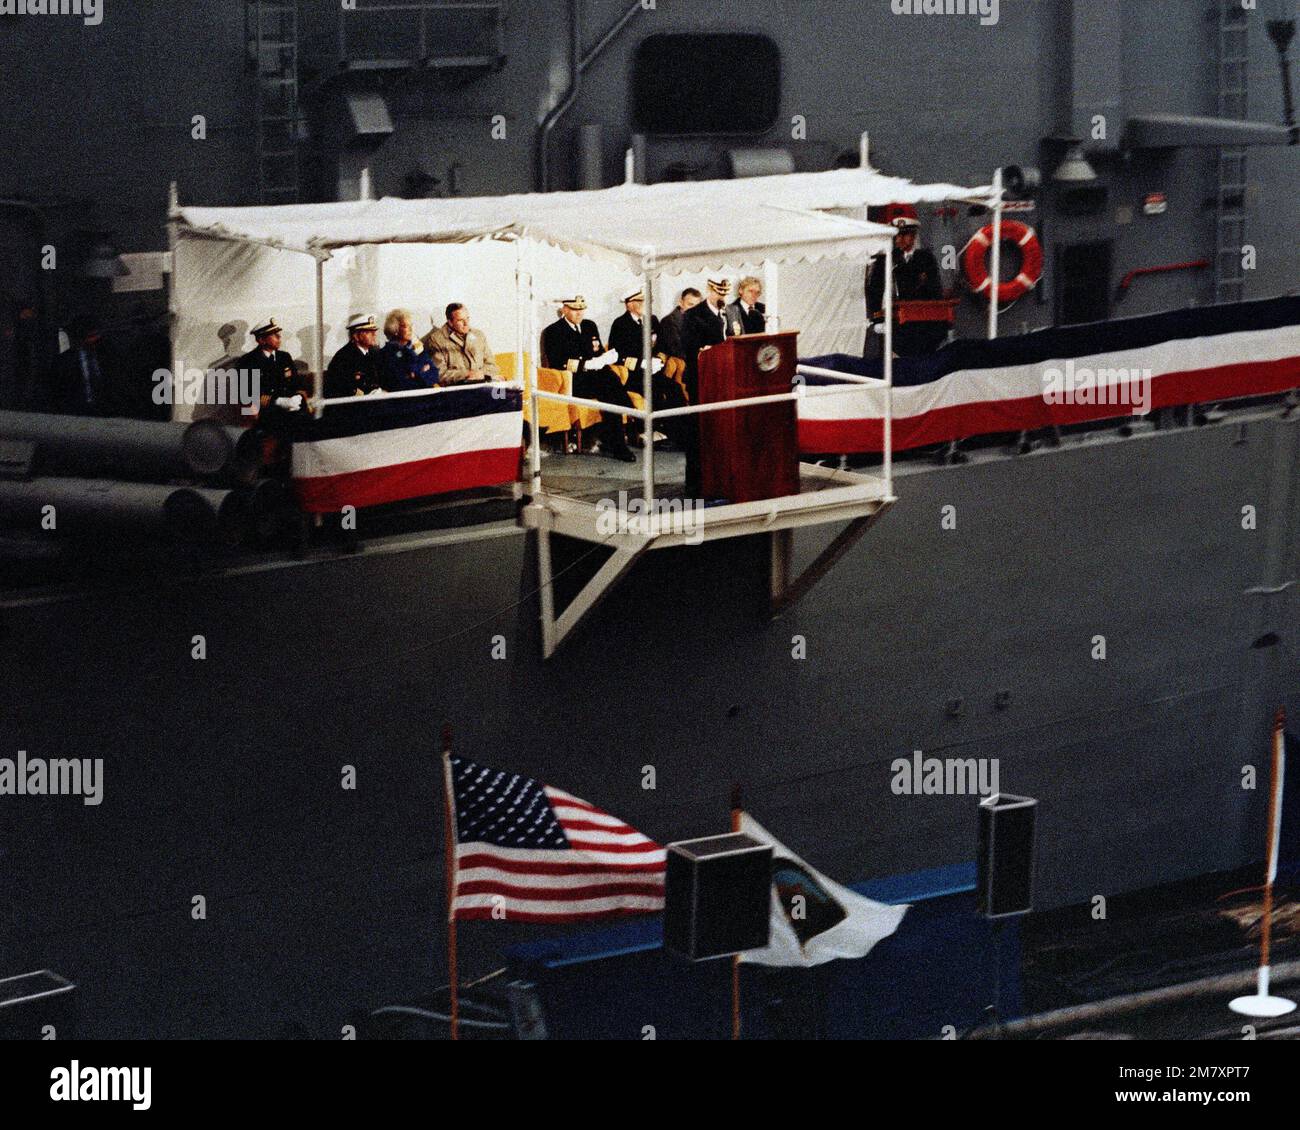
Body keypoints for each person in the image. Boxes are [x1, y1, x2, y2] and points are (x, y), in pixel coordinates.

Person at [540, 296, 636, 462]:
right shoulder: (554, 331)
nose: (579, 313)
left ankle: (616, 438)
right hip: (575, 379)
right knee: (611, 392)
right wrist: (586, 364)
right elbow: (557, 363)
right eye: (574, 310)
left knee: (611, 381)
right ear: (564, 310)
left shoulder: (589, 326)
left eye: (581, 309)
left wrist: (605, 358)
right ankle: (626, 430)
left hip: (597, 374)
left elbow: (596, 352)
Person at [607, 290, 687, 447]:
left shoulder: (652, 320)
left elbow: (661, 345)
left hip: (653, 371)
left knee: (675, 388)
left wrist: (658, 359)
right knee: (654, 391)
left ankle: (677, 433)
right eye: (641, 301)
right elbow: (617, 355)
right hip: (632, 374)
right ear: (629, 304)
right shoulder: (620, 324)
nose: (646, 305)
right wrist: (642, 363)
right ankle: (653, 432)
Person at [680, 278, 734, 494]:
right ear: (710, 291)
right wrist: (710, 351)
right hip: (701, 380)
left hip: (726, 381)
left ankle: (721, 479)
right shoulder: (694, 315)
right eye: (719, 293)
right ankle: (696, 484)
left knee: (722, 431)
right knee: (698, 431)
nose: (723, 298)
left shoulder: (730, 313)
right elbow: (689, 347)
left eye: (725, 294)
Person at [866, 216, 946, 357]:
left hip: (923, 322)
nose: (899, 240)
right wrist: (877, 318)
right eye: (896, 235)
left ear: (914, 235)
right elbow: (875, 290)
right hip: (895, 323)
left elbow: (935, 288)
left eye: (904, 235)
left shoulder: (926, 258)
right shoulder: (886, 260)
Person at [234, 317, 304, 424]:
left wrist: (298, 397)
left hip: (292, 408)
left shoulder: (284, 357)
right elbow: (246, 395)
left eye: (278, 333)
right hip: (266, 412)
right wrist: (278, 401)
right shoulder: (247, 361)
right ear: (261, 340)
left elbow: (296, 382)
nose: (279, 337)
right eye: (273, 334)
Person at [47, 314, 119, 416]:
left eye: (97, 335)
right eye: (91, 336)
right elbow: (57, 394)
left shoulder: (109, 356)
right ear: (80, 338)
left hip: (108, 414)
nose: (96, 340)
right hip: (75, 415)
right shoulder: (63, 361)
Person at [423, 303, 500, 385]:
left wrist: (480, 374)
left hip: (483, 385)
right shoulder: (436, 340)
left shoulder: (479, 335)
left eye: (467, 318)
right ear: (450, 322)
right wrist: (467, 375)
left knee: (506, 393)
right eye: (460, 320)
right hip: (457, 391)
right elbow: (439, 374)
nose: (466, 323)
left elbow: (493, 366)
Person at [324, 313, 383, 399]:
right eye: (368, 332)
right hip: (351, 406)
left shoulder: (374, 352)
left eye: (374, 331)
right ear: (356, 336)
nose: (374, 335)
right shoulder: (344, 357)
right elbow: (340, 388)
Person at [379, 308, 439, 391]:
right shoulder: (386, 353)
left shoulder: (417, 348)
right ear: (395, 330)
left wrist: (415, 375)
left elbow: (435, 375)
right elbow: (399, 383)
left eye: (411, 325)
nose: (411, 329)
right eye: (406, 326)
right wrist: (423, 371)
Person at [657, 287, 702, 360]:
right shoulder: (669, 322)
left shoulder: (696, 321)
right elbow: (677, 352)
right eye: (690, 304)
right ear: (681, 303)